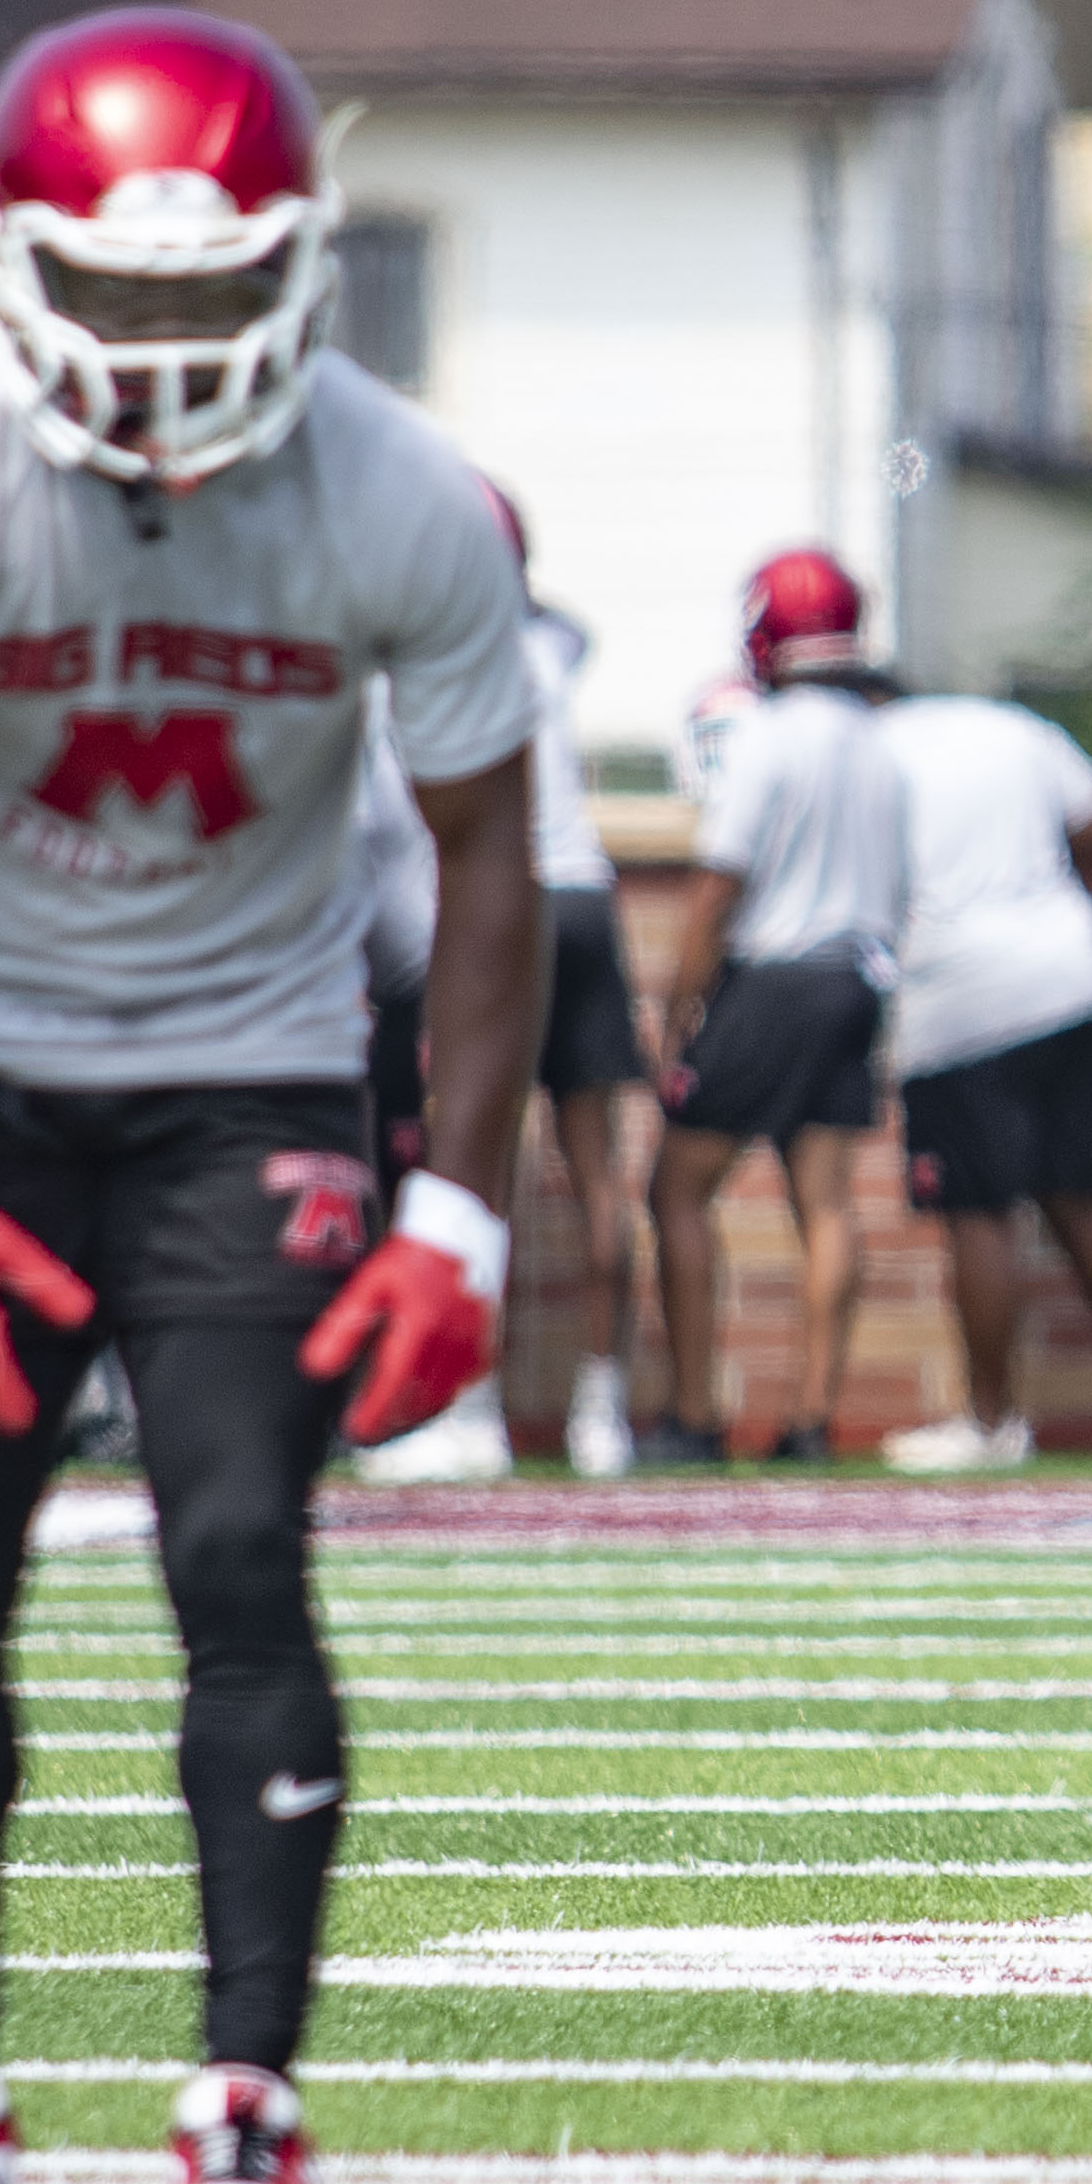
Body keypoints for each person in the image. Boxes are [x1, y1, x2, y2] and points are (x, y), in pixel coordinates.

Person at [0, 6, 538, 2184]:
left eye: (211, 289)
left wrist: (461, 1217)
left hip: (243, 1071)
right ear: (10, 262)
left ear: (300, 265)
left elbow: (492, 858)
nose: (159, 341)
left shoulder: (397, 488)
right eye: (112, 291)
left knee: (233, 1546)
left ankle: (245, 2091)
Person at [355, 483, 645, 1481]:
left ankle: (468, 1406)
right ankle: (604, 1414)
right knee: (600, 1177)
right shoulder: (551, 649)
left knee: (471, 1166)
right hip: (585, 896)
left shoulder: (419, 655)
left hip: (495, 911)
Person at [867, 671, 1092, 1471]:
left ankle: (991, 1420)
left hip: (956, 993)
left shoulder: (869, 753)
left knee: (977, 1210)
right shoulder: (1008, 724)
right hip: (1064, 969)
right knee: (1081, 1189)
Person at [634, 549, 904, 1465]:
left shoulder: (769, 732)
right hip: (851, 980)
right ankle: (810, 1418)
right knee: (824, 1201)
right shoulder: (878, 738)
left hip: (771, 978)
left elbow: (720, 885)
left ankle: (694, 1412)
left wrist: (678, 1006)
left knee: (674, 1185)